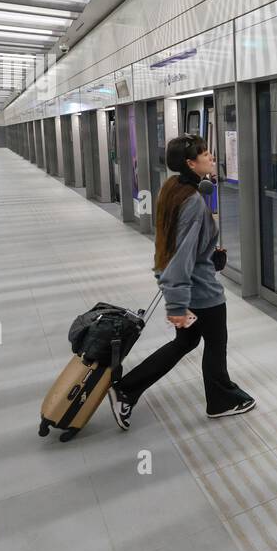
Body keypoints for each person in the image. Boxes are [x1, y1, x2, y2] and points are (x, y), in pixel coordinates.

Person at [109, 134, 254, 430]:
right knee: (215, 344)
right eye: (206, 154)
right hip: (201, 293)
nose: (212, 157)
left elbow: (180, 244)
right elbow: (182, 256)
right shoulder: (192, 202)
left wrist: (209, 253)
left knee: (185, 343)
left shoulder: (173, 188)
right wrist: (177, 304)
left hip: (192, 285)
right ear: (191, 163)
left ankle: (126, 389)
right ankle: (221, 400)